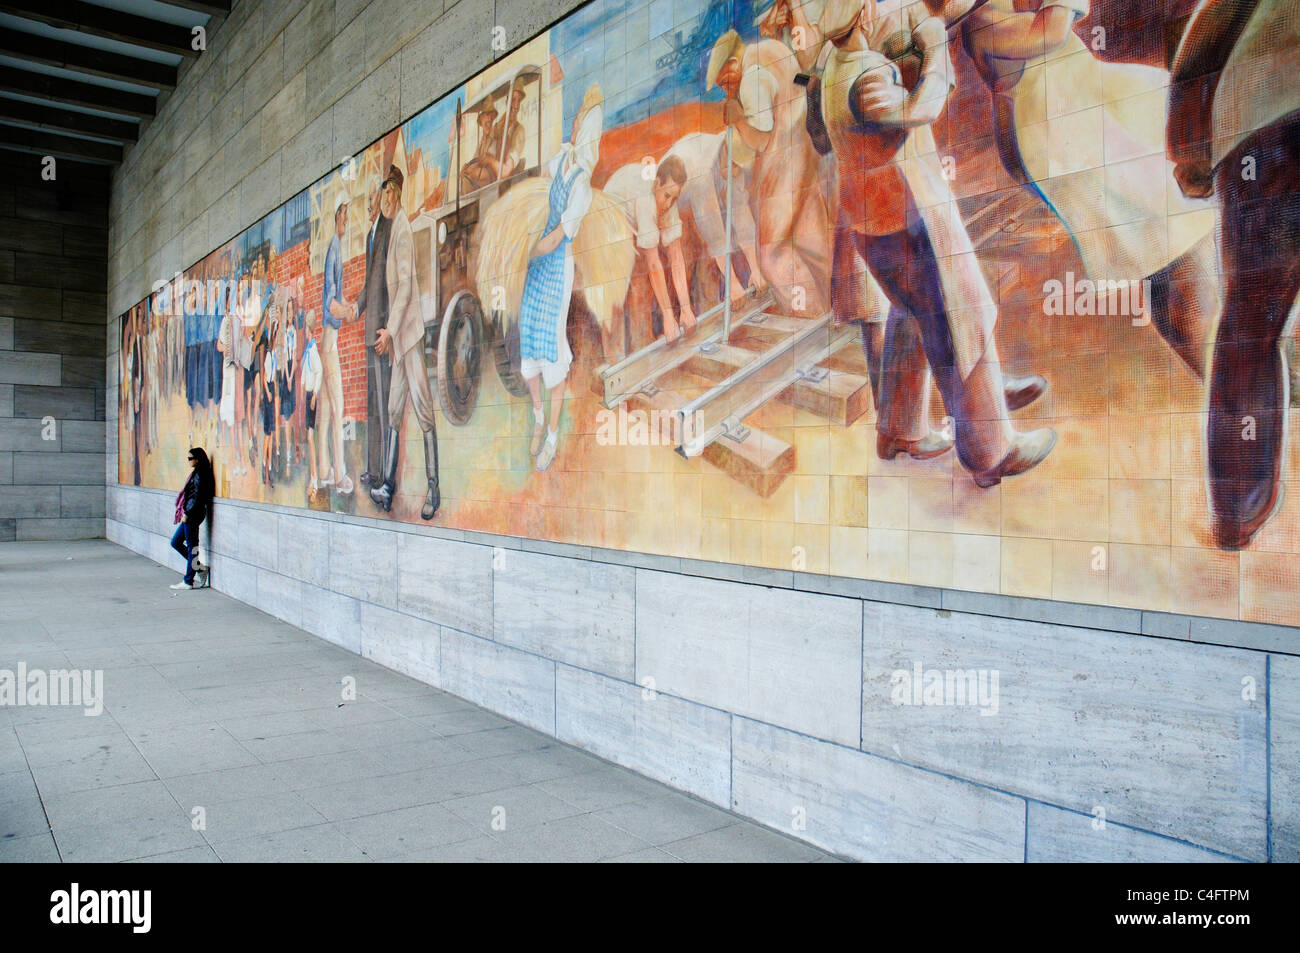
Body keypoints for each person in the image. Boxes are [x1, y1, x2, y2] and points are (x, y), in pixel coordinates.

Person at [817, 0, 1055, 485]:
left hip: (876, 225)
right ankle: (990, 450)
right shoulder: (863, 76)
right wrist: (934, 48)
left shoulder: (834, 71)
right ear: (863, 15)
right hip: (899, 221)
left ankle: (898, 429)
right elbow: (920, 110)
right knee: (956, 320)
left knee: (914, 313)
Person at [961, 0, 1219, 379]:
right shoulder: (982, 24)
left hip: (1089, 113)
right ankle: (1219, 363)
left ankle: (1228, 351)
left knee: (1176, 221)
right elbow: (1049, 34)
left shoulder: (1006, 14)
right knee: (1166, 230)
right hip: (1062, 139)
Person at [1167, 0, 1300, 548]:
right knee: (1252, 317)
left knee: (1250, 318)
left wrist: (1187, 152)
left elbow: (1209, 30)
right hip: (1270, 114)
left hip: (1265, 120)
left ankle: (1236, 507)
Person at [707, 27, 831, 317]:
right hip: (807, 151)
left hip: (786, 158)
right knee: (812, 240)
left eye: (725, 82)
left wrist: (738, 120)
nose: (727, 90)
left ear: (734, 64)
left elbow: (761, 139)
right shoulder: (771, 49)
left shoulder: (752, 77)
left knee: (771, 253)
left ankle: (809, 315)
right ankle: (833, 308)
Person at [518, 86, 601, 472]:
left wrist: (526, 250)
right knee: (529, 339)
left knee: (551, 346)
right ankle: (537, 416)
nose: (573, 122)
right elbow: (538, 186)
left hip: (554, 264)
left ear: (588, 129)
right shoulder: (562, 159)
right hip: (537, 264)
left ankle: (551, 437)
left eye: (580, 119)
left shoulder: (582, 184)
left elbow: (556, 238)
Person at [370, 165, 441, 519]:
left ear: (397, 195)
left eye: (388, 194)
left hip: (408, 337)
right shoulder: (394, 228)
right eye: (382, 195)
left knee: (423, 408)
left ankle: (434, 488)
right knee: (394, 410)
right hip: (400, 341)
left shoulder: (402, 232)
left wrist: (391, 331)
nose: (384, 200)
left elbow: (405, 290)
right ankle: (387, 485)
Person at [604, 154, 697, 347]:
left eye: (675, 197)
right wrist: (669, 317)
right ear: (656, 184)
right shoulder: (645, 199)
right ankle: (632, 346)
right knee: (636, 277)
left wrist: (686, 308)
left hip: (631, 214)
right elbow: (653, 263)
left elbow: (676, 255)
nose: (670, 203)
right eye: (667, 197)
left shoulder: (666, 197)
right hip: (609, 218)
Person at [355, 175, 393, 488]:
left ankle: (383, 476)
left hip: (381, 332)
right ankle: (373, 469)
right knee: (372, 405)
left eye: (370, 200)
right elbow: (369, 284)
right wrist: (354, 309)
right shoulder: (371, 233)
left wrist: (388, 329)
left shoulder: (388, 229)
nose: (368, 206)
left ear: (380, 198)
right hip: (370, 332)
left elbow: (391, 283)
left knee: (383, 405)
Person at [318, 191, 354, 495]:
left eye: (347, 213)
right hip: (329, 342)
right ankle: (340, 473)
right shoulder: (333, 249)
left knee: (326, 410)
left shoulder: (336, 248)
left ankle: (323, 470)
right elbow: (329, 302)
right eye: (342, 213)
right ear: (334, 217)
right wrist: (346, 311)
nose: (346, 218)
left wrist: (349, 307)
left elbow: (337, 298)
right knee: (337, 406)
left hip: (329, 339)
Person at [170, 447, 214, 590]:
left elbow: (197, 497)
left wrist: (187, 514)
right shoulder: (198, 473)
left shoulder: (201, 474)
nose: (189, 461)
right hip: (191, 513)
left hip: (192, 514)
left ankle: (188, 581)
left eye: (190, 458)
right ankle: (200, 569)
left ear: (197, 459)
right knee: (176, 542)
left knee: (192, 547)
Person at [301, 308, 323, 497]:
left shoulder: (313, 351)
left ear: (309, 331)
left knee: (310, 437)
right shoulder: (308, 351)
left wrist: (314, 395)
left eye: (306, 330)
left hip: (311, 397)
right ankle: (313, 476)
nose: (305, 333)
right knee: (308, 437)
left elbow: (319, 371)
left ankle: (314, 478)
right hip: (307, 395)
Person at [494, 85, 528, 179]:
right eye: (513, 100)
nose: (516, 106)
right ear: (506, 102)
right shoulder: (498, 127)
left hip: (507, 184)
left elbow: (506, 171)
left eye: (519, 101)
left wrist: (489, 160)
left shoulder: (519, 130)